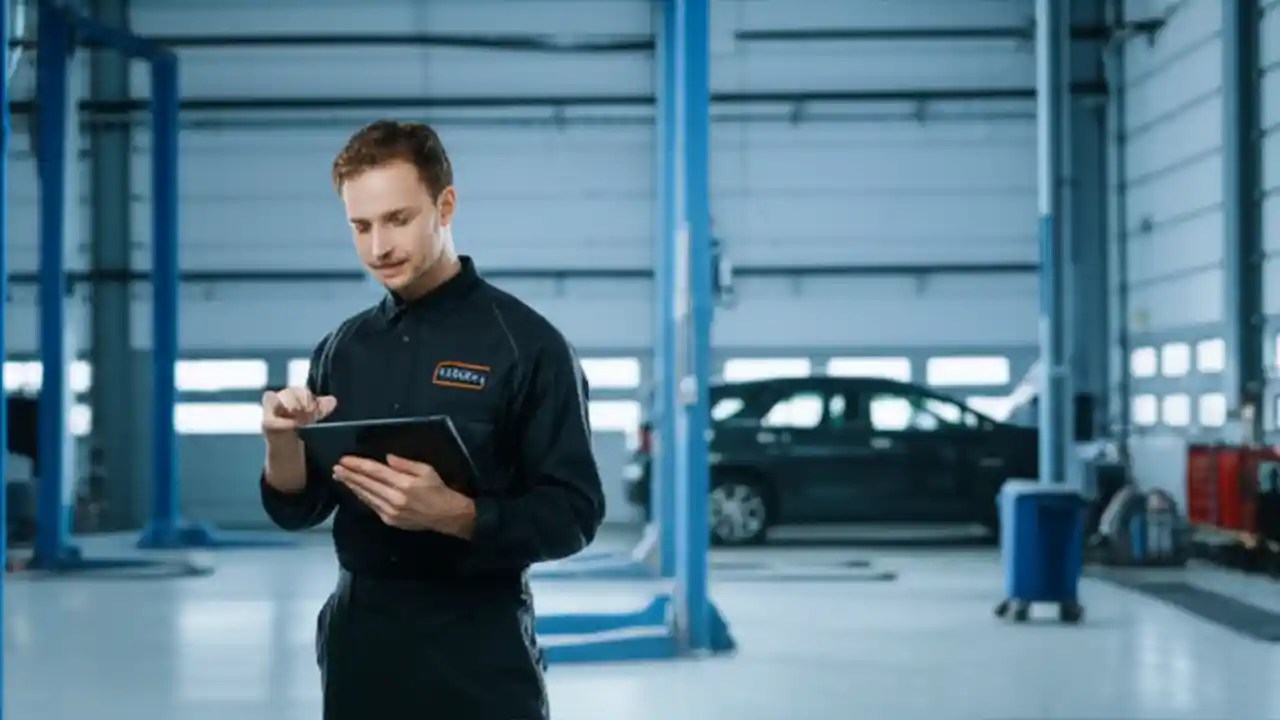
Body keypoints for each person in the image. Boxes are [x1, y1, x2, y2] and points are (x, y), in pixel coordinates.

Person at [257, 119, 606, 720]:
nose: (377, 248)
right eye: (360, 227)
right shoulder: (342, 348)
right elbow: (300, 507)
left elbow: (574, 513)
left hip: (476, 641)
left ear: (445, 206)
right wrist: (281, 442)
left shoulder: (526, 346)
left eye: (398, 219)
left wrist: (458, 516)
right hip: (360, 640)